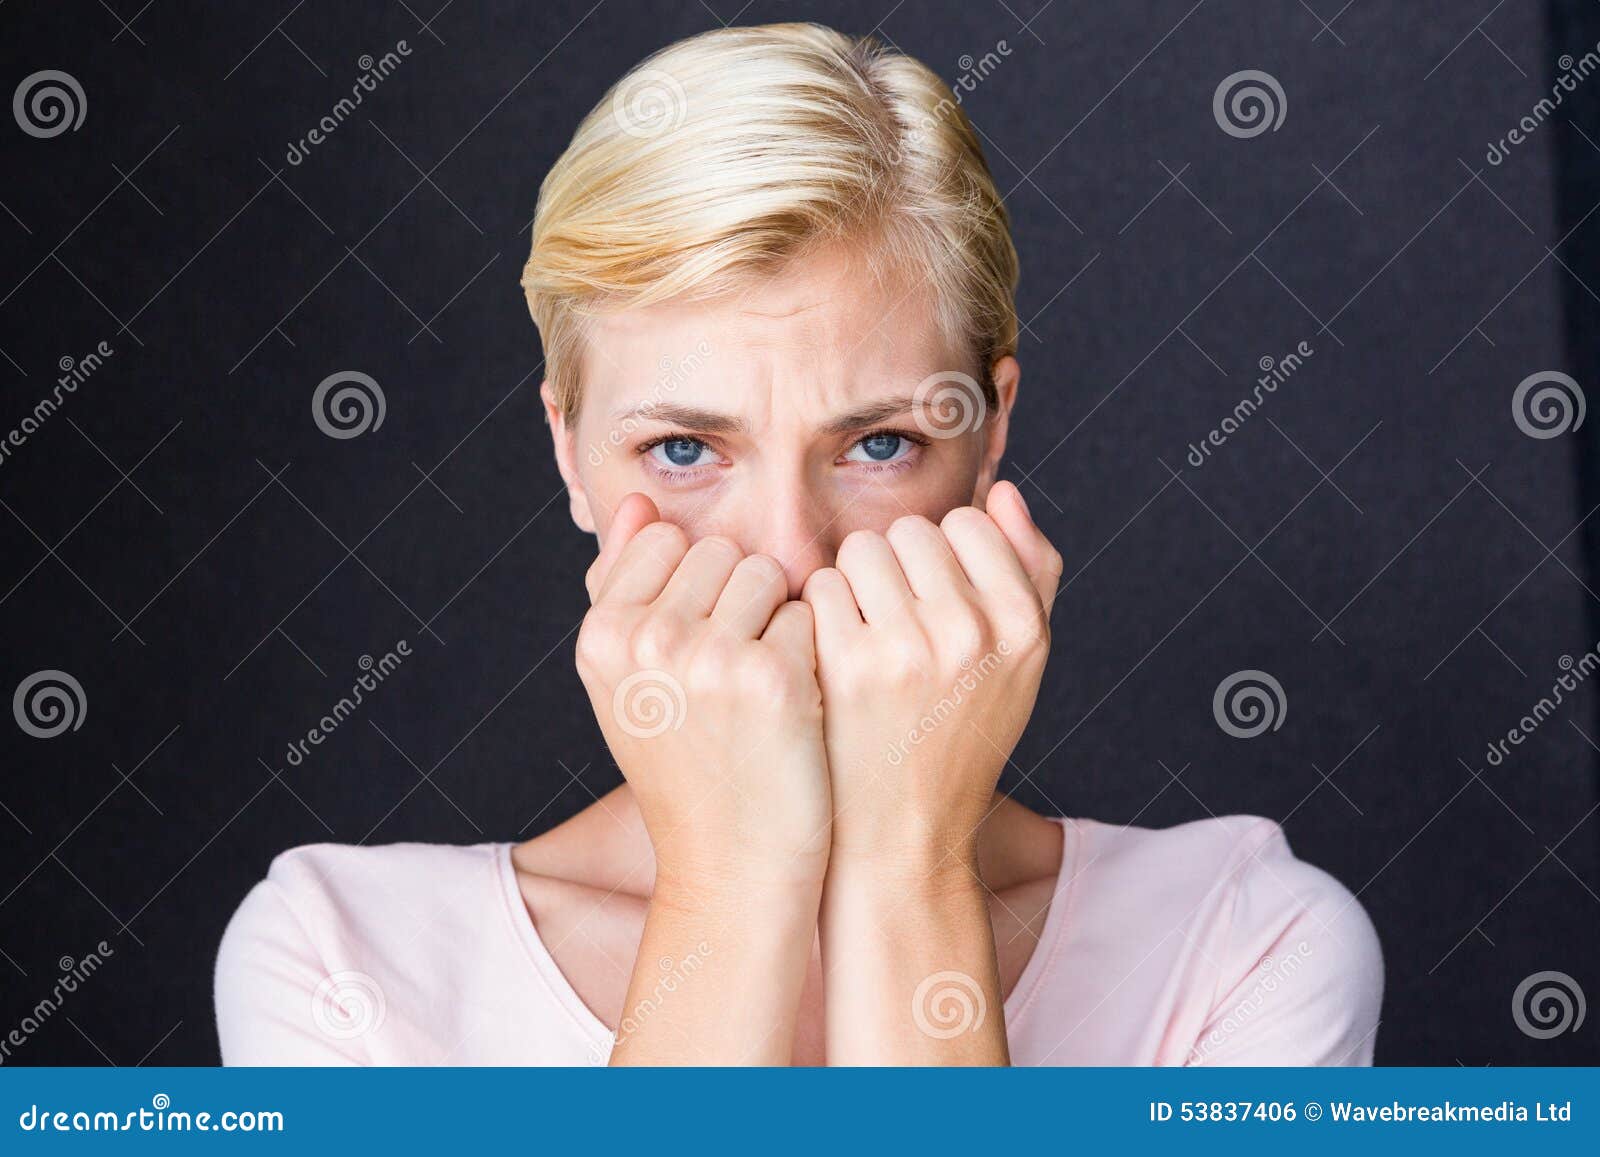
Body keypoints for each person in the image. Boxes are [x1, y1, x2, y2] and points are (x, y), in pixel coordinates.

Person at [215, 22, 1383, 1066]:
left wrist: (906, 865)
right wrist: (728, 888)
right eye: (682, 449)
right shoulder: (341, 965)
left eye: (876, 443)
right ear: (571, 455)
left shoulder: (1243, 946)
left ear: (989, 435)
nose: (788, 553)